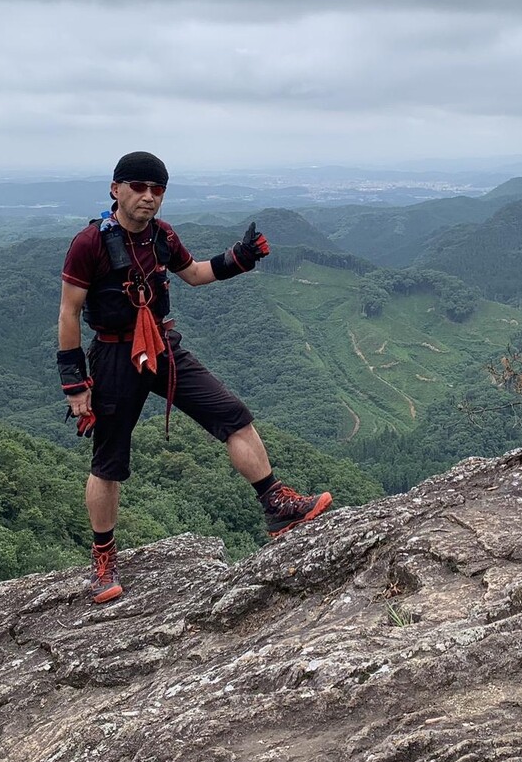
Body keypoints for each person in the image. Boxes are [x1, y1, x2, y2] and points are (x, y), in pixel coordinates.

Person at [57, 151, 332, 603]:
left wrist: (240, 258)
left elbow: (195, 274)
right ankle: (103, 560)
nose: (148, 197)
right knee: (108, 462)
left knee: (233, 416)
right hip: (113, 355)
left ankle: (277, 505)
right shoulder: (89, 244)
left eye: (157, 189)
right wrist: (74, 382)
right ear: (115, 189)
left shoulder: (162, 236)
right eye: (139, 187)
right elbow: (69, 312)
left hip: (162, 346)